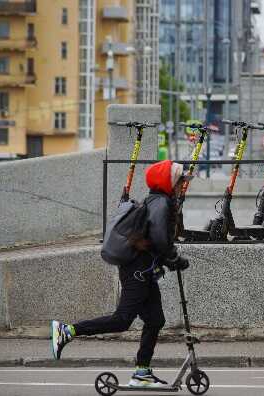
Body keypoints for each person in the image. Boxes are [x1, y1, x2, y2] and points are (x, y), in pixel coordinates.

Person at [50, 160, 191, 388]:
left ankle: (142, 374)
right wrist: (174, 258)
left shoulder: (159, 201)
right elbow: (159, 238)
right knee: (122, 320)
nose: (183, 185)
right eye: (181, 180)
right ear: (170, 181)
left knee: (155, 320)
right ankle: (67, 330)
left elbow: (155, 240)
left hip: (145, 271)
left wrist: (169, 259)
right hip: (137, 271)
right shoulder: (161, 203)